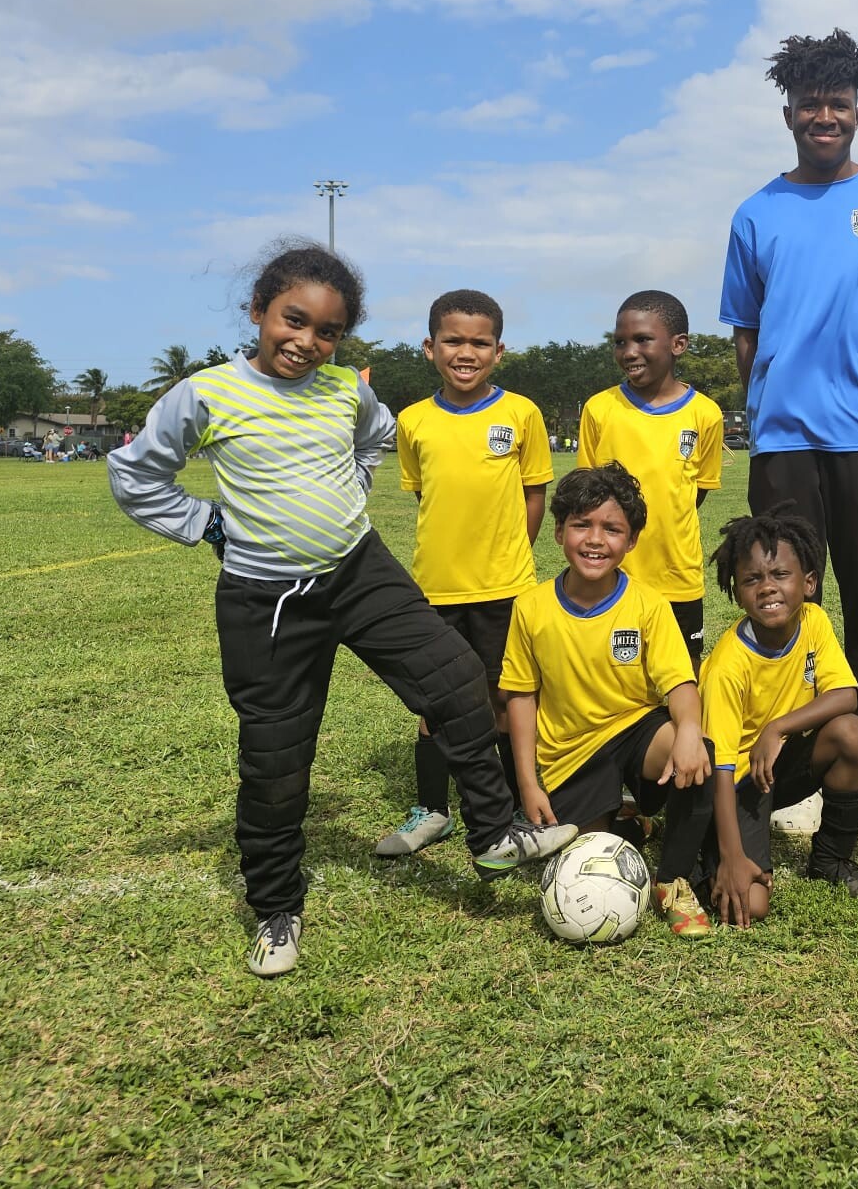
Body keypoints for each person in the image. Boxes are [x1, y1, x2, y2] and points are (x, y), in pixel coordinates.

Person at [107, 242, 565, 978]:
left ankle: (492, 833)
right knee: (276, 761)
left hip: (359, 569)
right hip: (268, 600)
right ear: (259, 312)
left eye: (326, 332)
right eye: (294, 321)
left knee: (453, 679)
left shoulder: (346, 390)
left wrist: (348, 490)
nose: (306, 342)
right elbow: (135, 473)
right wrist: (206, 524)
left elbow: (375, 436)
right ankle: (276, 909)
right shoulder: (208, 394)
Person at [721, 28, 858, 830]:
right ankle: (793, 766)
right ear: (788, 113)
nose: (824, 115)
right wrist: (772, 400)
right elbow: (745, 328)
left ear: (857, 110)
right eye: (810, 103)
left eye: (837, 102)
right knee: (787, 602)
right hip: (783, 441)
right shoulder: (755, 212)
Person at [499, 462, 715, 939]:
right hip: (570, 755)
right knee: (589, 851)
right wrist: (528, 785)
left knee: (702, 758)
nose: (595, 540)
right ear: (558, 532)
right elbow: (519, 697)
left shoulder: (649, 604)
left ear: (631, 541)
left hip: (634, 730)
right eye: (582, 524)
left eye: (612, 529)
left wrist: (688, 733)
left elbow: (680, 683)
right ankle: (629, 824)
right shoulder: (530, 608)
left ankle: (672, 880)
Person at [374, 289, 553, 859]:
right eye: (453, 340)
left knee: (503, 698)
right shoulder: (414, 421)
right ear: (430, 348)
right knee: (437, 705)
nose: (466, 352)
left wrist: (507, 555)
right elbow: (428, 494)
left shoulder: (520, 413)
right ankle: (433, 811)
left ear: (499, 351)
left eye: (479, 342)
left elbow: (533, 494)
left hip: (505, 588)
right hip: (434, 589)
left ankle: (510, 812)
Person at [687, 510, 858, 927]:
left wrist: (777, 727)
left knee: (852, 733)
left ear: (809, 583)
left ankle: (832, 861)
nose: (767, 588)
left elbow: (844, 695)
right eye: (752, 579)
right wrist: (731, 857)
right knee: (753, 906)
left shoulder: (813, 621)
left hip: (777, 763)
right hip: (736, 785)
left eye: (780, 574)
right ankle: (703, 854)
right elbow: (722, 770)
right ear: (735, 590)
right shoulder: (729, 665)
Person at [577, 290, 724, 667]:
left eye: (643, 339)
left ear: (678, 344)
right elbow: (587, 493)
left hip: (678, 577)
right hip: (611, 574)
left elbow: (697, 490)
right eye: (620, 342)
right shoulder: (599, 409)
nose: (629, 351)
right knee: (610, 672)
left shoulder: (705, 414)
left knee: (681, 674)